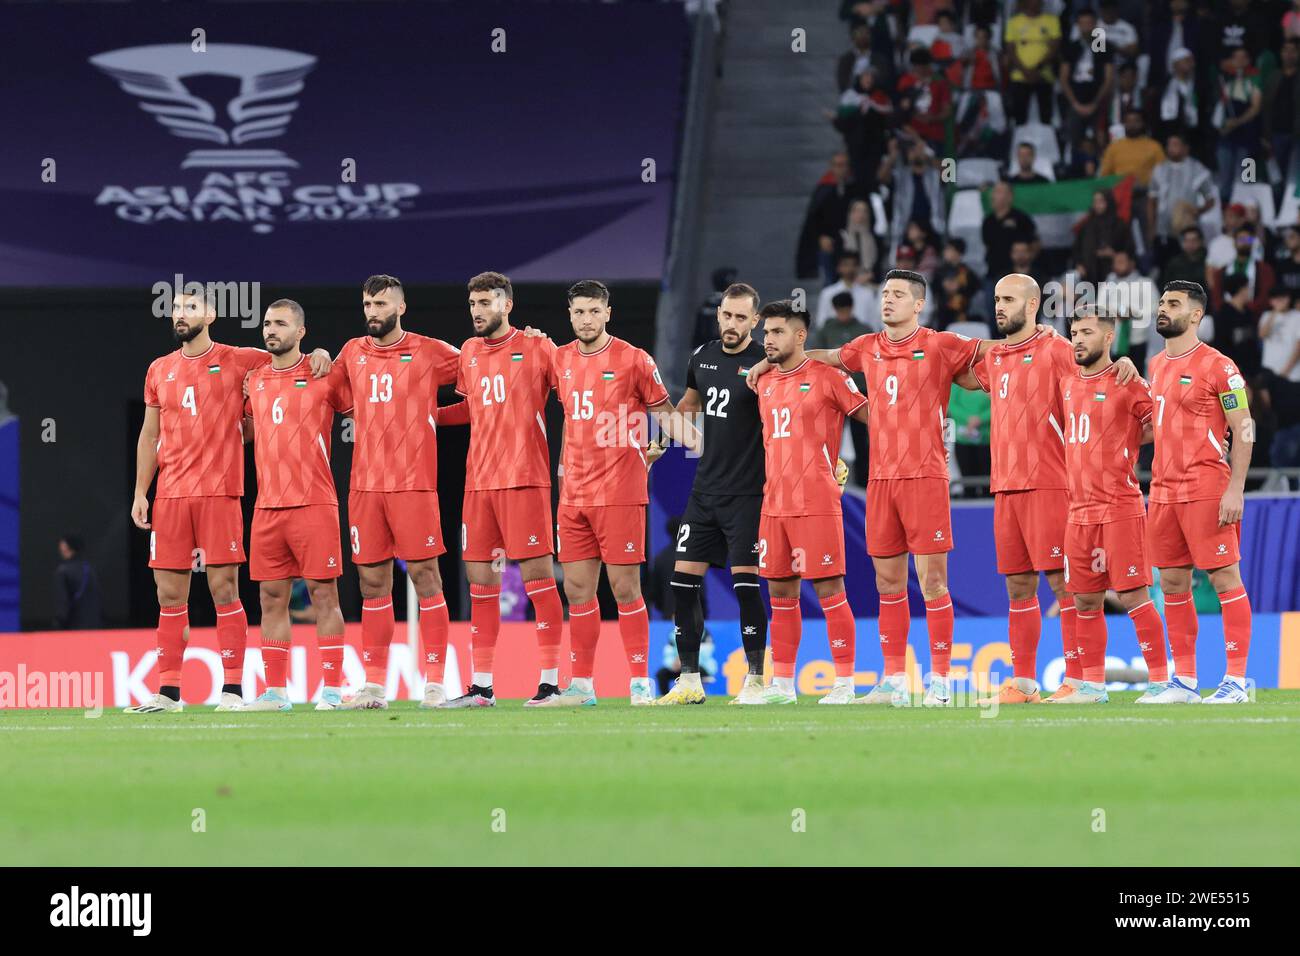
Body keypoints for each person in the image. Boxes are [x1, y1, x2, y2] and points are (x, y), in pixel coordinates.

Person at [750, 270, 1007, 706]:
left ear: (919, 303)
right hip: (880, 480)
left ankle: (940, 679)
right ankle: (894, 680)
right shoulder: (865, 347)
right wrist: (768, 360)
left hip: (924, 477)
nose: (888, 300)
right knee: (888, 583)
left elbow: (994, 351)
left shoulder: (942, 344)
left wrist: (1041, 339)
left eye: (899, 295)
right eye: (885, 293)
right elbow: (825, 355)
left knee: (933, 582)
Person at [127, 287, 331, 714]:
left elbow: (288, 357)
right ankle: (168, 693)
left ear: (212, 314)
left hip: (221, 493)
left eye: (191, 308)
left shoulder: (242, 359)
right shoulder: (158, 369)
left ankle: (233, 691)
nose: (181, 316)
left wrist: (322, 353)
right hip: (171, 495)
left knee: (225, 590)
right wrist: (141, 492)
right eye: (177, 309)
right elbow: (150, 435)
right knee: (169, 595)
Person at [973, 275, 1136, 704]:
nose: (999, 306)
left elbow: (1102, 383)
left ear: (1032, 306)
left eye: (1008, 299)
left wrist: (1126, 365)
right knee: (1018, 587)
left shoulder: (1059, 350)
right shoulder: (997, 357)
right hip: (1005, 486)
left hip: (1050, 483)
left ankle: (1078, 679)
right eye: (996, 299)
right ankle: (1024, 682)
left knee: (1068, 587)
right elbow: (952, 366)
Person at [545, 280, 700, 707]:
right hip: (573, 495)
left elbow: (665, 415)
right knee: (577, 590)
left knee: (625, 587)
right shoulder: (558, 359)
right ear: (570, 315)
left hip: (620, 491)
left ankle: (637, 684)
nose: (586, 319)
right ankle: (582, 686)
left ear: (608, 313)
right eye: (579, 312)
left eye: (594, 311)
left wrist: (704, 447)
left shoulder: (634, 359)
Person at [331, 275, 461, 711]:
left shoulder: (430, 351)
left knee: (427, 578)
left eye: (381, 303)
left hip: (413, 485)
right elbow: (325, 392)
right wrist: (313, 356)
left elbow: (485, 374)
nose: (372, 311)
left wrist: (436, 416)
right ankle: (372, 686)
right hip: (365, 487)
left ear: (401, 307)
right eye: (367, 303)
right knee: (372, 584)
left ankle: (436, 683)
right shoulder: (351, 353)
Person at [445, 272, 566, 708]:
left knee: (537, 580)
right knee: (481, 584)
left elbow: (573, 392)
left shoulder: (538, 347)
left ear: (507, 304)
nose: (477, 311)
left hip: (525, 479)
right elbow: (471, 407)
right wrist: (426, 416)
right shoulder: (470, 352)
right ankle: (481, 688)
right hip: (479, 484)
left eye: (485, 303)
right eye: (472, 304)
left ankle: (551, 683)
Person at [1144, 281, 1257, 703]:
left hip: (1207, 488)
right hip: (1163, 492)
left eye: (1173, 304)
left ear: (1196, 315)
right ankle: (1185, 681)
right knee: (1172, 581)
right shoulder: (1155, 365)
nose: (1163, 309)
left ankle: (1237, 680)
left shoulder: (1219, 366)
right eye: (1161, 303)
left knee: (1226, 578)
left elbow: (1243, 428)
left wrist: (1235, 488)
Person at [750, 300, 866, 705]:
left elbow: (873, 416)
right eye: (765, 332)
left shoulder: (827, 377)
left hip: (815, 499)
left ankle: (845, 683)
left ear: (800, 336)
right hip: (773, 503)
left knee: (830, 589)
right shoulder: (762, 382)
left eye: (777, 331)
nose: (768, 339)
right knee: (780, 594)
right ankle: (781, 685)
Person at [657, 283, 768, 706]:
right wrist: (661, 439)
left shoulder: (765, 362)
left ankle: (755, 681)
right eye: (727, 315)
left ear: (755, 322)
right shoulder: (700, 357)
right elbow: (689, 404)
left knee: (746, 588)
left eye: (742, 318)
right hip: (704, 491)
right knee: (682, 586)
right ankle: (688, 681)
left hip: (747, 495)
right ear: (718, 314)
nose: (732, 324)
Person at [241, 299, 350, 711]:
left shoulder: (324, 372)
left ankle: (334, 691)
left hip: (314, 502)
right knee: (271, 598)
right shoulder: (255, 379)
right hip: (268, 506)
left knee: (325, 596)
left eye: (281, 324)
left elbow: (368, 413)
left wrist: (326, 354)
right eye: (267, 323)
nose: (271, 330)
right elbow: (247, 431)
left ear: (301, 332)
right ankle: (275, 692)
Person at [1054, 309, 1168, 704]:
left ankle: (1160, 680)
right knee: (1084, 599)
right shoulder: (1066, 381)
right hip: (1078, 512)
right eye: (1074, 333)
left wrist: (1131, 439)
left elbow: (1162, 422)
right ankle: (1093, 686)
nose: (1078, 339)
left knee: (1134, 595)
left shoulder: (1126, 381)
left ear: (1108, 338)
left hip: (1119, 506)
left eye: (1087, 332)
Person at [811, 292, 872, 486]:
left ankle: (864, 482)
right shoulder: (826, 329)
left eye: (845, 310)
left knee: (861, 441)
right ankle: (827, 479)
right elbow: (816, 359)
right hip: (830, 394)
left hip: (859, 391)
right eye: (839, 310)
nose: (842, 314)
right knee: (826, 438)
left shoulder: (863, 330)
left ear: (851, 308)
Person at [1147, 133, 1217, 269]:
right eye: (1169, 145)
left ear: (1185, 148)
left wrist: (1197, 211)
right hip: (1163, 230)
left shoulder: (1198, 170)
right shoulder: (1159, 169)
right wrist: (1151, 228)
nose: (1171, 148)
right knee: (1164, 268)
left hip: (1186, 232)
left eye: (1175, 145)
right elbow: (1151, 200)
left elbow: (1211, 199)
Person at [1059, 7, 1114, 155]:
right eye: (1082, 23)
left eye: (1089, 23)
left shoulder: (1100, 43)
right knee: (1073, 135)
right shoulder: (1072, 47)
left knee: (1100, 137)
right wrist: (1075, 104)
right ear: (1077, 25)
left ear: (1095, 24)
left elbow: (1108, 78)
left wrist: (1095, 103)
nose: (1086, 27)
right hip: (1076, 99)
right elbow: (1063, 78)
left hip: (1097, 98)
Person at [1213, 47, 1263, 203]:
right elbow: (1220, 109)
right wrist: (1223, 127)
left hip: (1248, 138)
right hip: (1228, 138)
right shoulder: (1226, 81)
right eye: (1236, 57)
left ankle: (1249, 208)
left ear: (1248, 60)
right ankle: (1225, 210)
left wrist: (1237, 122)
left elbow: (1255, 108)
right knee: (1225, 179)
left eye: (1243, 57)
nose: (1240, 61)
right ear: (1232, 61)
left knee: (1248, 178)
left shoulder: (1255, 78)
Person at [1004, 0, 1061, 126]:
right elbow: (1010, 49)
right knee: (1020, 118)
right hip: (1020, 76)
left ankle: (1046, 143)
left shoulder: (1052, 20)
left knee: (1046, 118)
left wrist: (1037, 68)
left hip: (1044, 75)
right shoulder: (1014, 22)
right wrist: (1025, 71)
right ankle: (1019, 144)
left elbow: (1055, 47)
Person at [982, 181, 1040, 282]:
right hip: (993, 275)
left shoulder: (1022, 219)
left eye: (998, 192)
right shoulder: (988, 222)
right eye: (993, 192)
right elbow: (987, 246)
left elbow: (1035, 245)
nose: (993, 195)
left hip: (1017, 275)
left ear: (1010, 197)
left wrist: (1025, 268)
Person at [1072, 189, 1132, 284]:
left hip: (1114, 275)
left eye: (1101, 201)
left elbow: (1129, 250)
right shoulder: (1087, 226)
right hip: (1089, 276)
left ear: (1108, 202)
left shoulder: (1119, 225)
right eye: (1095, 202)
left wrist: (1113, 254)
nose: (1098, 205)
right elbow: (1077, 249)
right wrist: (1079, 264)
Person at [816, 251, 878, 328]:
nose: (850, 268)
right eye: (846, 265)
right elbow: (821, 323)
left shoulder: (868, 294)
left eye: (853, 265)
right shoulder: (827, 293)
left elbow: (874, 323)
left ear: (858, 267)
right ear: (838, 268)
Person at [52, 534, 101, 630]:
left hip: (73, 627)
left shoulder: (62, 572)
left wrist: (58, 624)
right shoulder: (89, 569)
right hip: (93, 625)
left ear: (67, 548)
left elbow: (62, 603)